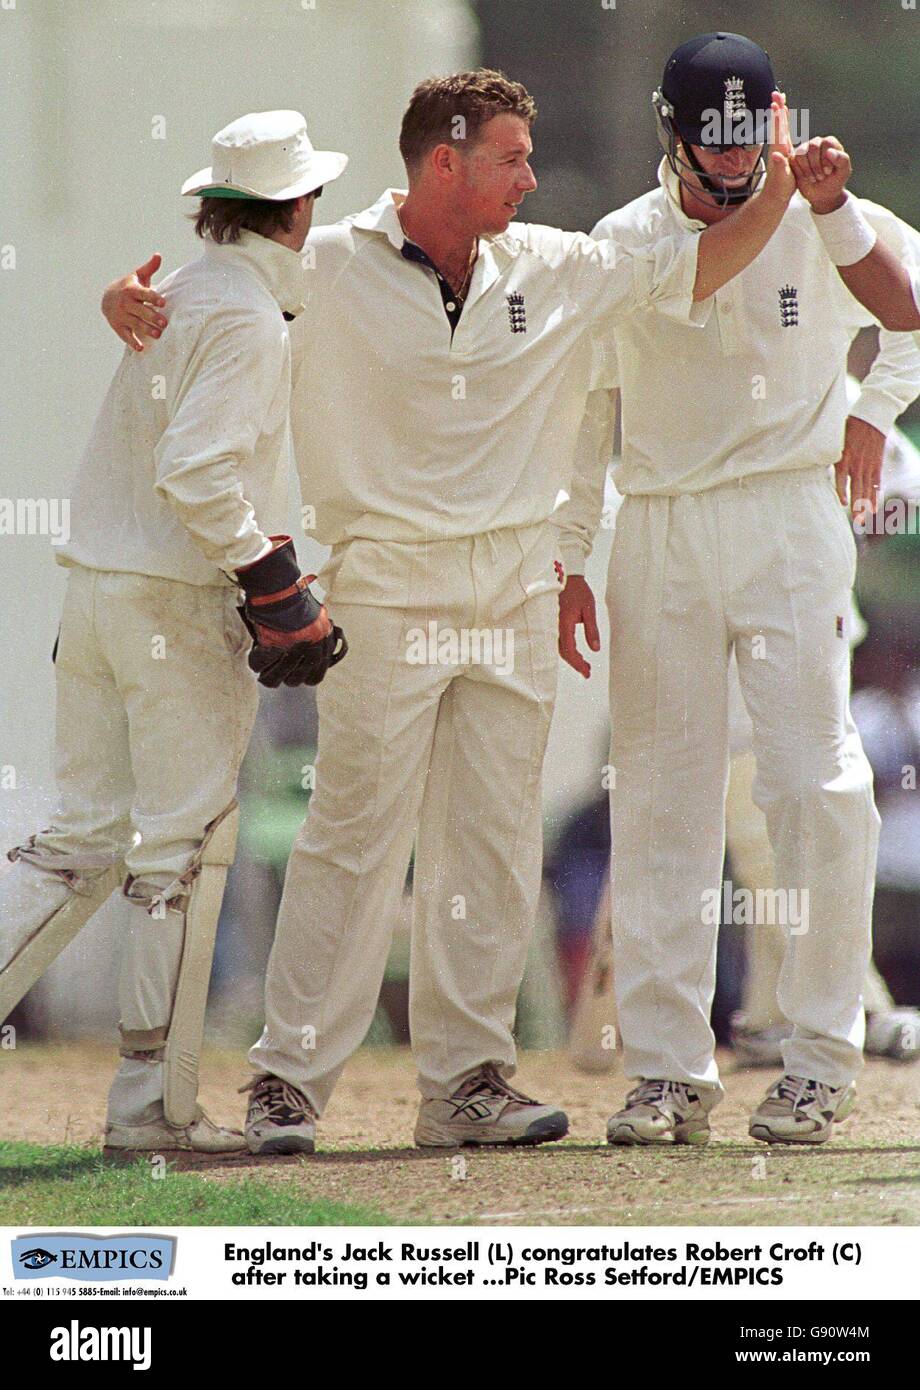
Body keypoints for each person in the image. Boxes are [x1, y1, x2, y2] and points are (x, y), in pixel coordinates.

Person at [103, 69, 798, 1155]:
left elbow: (695, 263)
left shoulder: (557, 266)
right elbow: (202, 298)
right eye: (511, 157)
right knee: (352, 835)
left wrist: (774, 185)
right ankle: (287, 1080)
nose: (529, 175)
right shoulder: (322, 265)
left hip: (513, 588)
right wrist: (124, 304)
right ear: (444, 161)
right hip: (381, 580)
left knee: (490, 842)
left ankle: (466, 1080)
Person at [555, 32, 920, 1145]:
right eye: (707, 142)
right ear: (675, 134)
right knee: (663, 794)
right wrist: (568, 556)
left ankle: (818, 1053)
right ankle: (668, 1068)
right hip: (658, 518)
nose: (725, 163)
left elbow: (906, 309)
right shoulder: (626, 237)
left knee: (813, 785)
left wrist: (870, 412)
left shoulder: (823, 204)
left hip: (785, 510)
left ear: (769, 118)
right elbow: (590, 413)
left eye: (741, 137)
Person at [0, 112, 348, 1153]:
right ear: (294, 208)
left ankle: (151, 1101)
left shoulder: (188, 288)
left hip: (97, 590)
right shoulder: (242, 314)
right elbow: (195, 471)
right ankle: (152, 1106)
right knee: (181, 853)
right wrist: (271, 577)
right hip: (174, 603)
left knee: (79, 843)